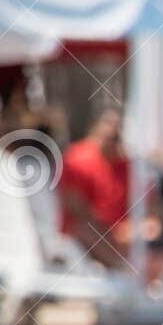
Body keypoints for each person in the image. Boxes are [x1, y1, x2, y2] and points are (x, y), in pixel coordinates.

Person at [57, 109, 130, 265]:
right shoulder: (77, 159)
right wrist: (113, 233)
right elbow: (77, 210)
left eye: (117, 137)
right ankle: (122, 268)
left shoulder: (128, 165)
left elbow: (152, 209)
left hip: (121, 238)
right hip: (85, 239)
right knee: (86, 230)